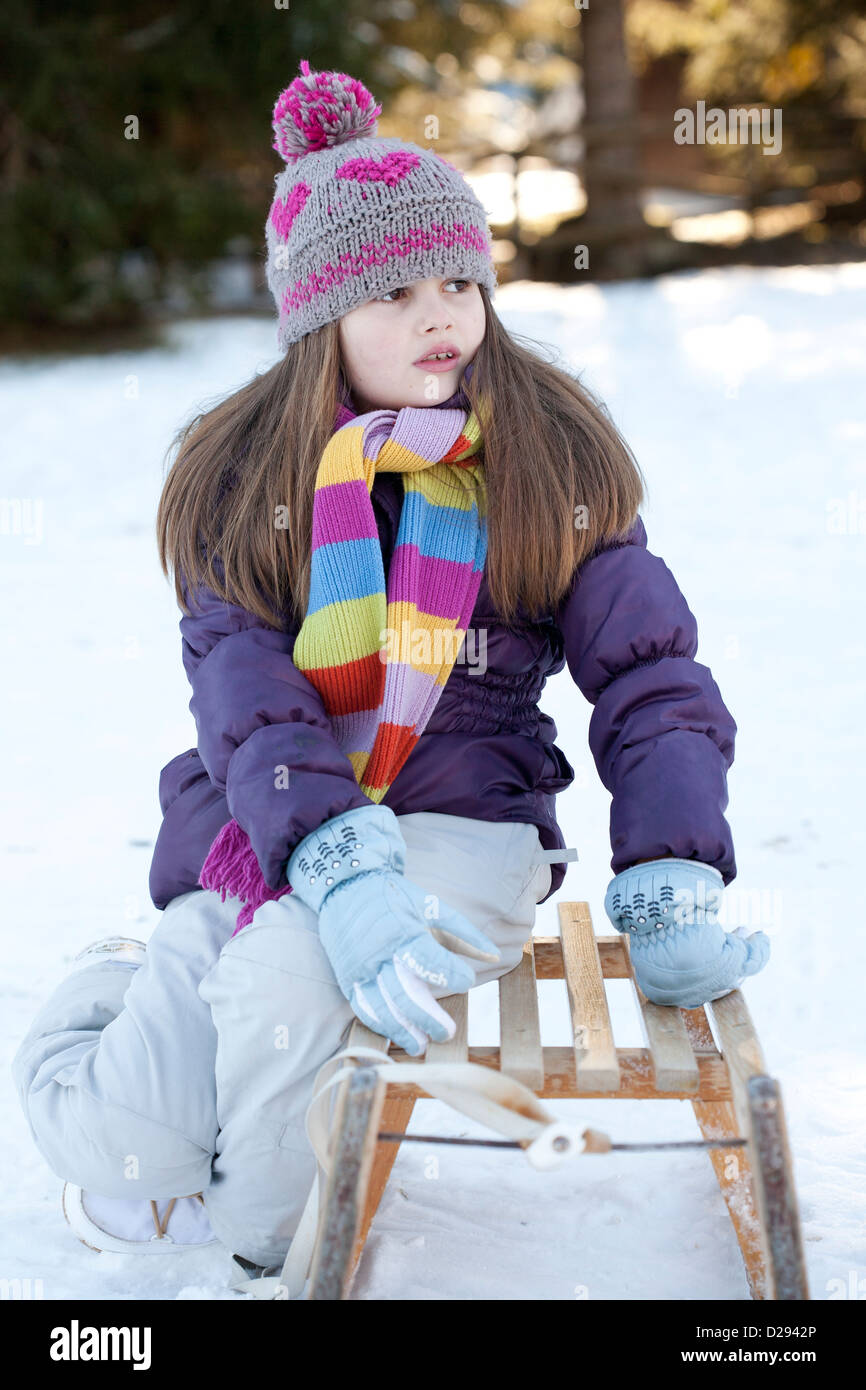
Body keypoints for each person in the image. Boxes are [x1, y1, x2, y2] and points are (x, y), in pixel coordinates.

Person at [11, 58, 769, 1288]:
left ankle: (265, 1245)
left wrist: (673, 867)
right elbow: (243, 702)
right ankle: (124, 994)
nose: (442, 316)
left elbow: (649, 672)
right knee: (124, 1118)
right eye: (398, 291)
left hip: (466, 829)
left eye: (461, 280)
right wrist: (329, 851)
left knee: (276, 973)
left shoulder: (539, 455)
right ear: (320, 322)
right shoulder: (245, 483)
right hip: (268, 821)